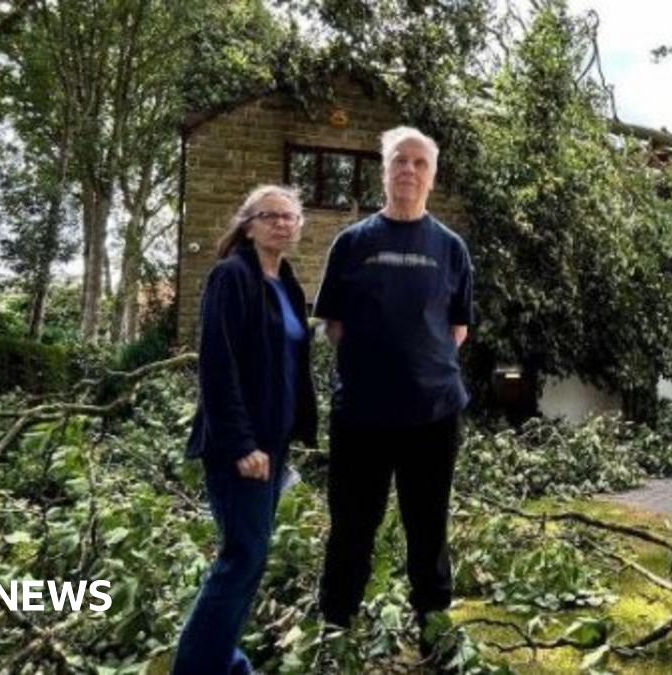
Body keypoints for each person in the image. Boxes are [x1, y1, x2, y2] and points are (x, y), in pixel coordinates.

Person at [315, 127, 474, 647]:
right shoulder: (352, 243)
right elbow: (334, 324)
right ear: (384, 171)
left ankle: (432, 624)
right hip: (361, 414)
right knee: (352, 527)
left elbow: (457, 328)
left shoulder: (451, 249)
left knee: (427, 526)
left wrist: (419, 367)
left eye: (419, 163)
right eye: (398, 161)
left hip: (433, 415)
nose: (408, 170)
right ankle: (335, 625)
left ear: (433, 176)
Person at [173, 185, 317, 675]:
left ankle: (225, 661)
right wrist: (242, 444)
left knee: (251, 558)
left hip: (272, 445)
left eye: (290, 217)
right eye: (270, 215)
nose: (282, 223)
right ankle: (196, 667)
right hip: (241, 448)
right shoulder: (231, 276)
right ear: (249, 223)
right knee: (242, 556)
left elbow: (292, 364)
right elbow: (218, 365)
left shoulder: (288, 282)